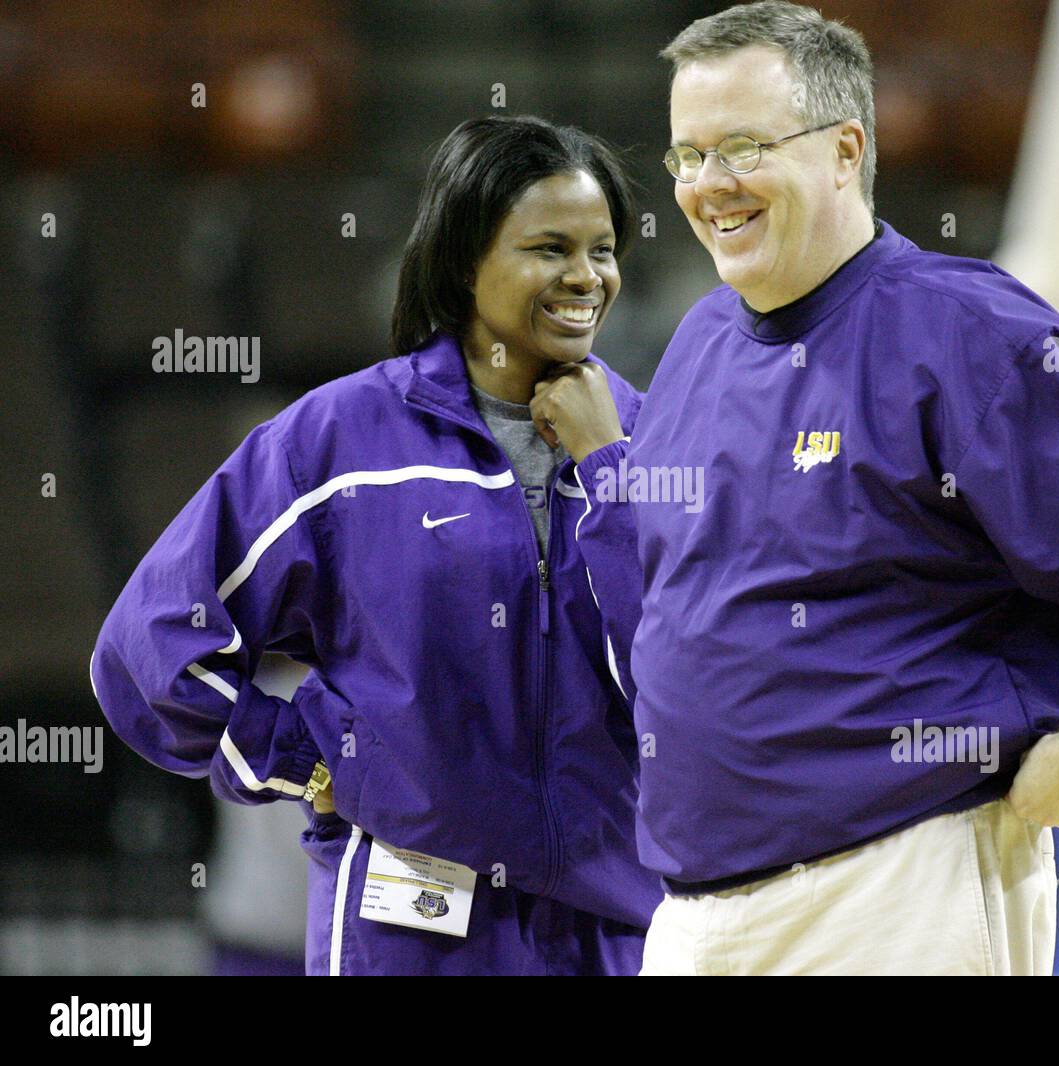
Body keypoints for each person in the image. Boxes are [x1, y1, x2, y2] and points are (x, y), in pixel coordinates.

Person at [534, 1, 1059, 975]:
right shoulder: (704, 337)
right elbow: (683, 598)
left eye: (743, 146)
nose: (709, 186)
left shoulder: (954, 328)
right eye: (685, 156)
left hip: (897, 889)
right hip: (693, 908)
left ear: (843, 150)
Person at [91, 114, 661, 975]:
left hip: (620, 932)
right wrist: (312, 762)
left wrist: (607, 466)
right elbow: (150, 644)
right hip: (408, 931)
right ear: (467, 260)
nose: (586, 276)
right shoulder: (341, 441)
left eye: (603, 249)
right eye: (551, 248)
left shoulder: (657, 444)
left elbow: (692, 676)